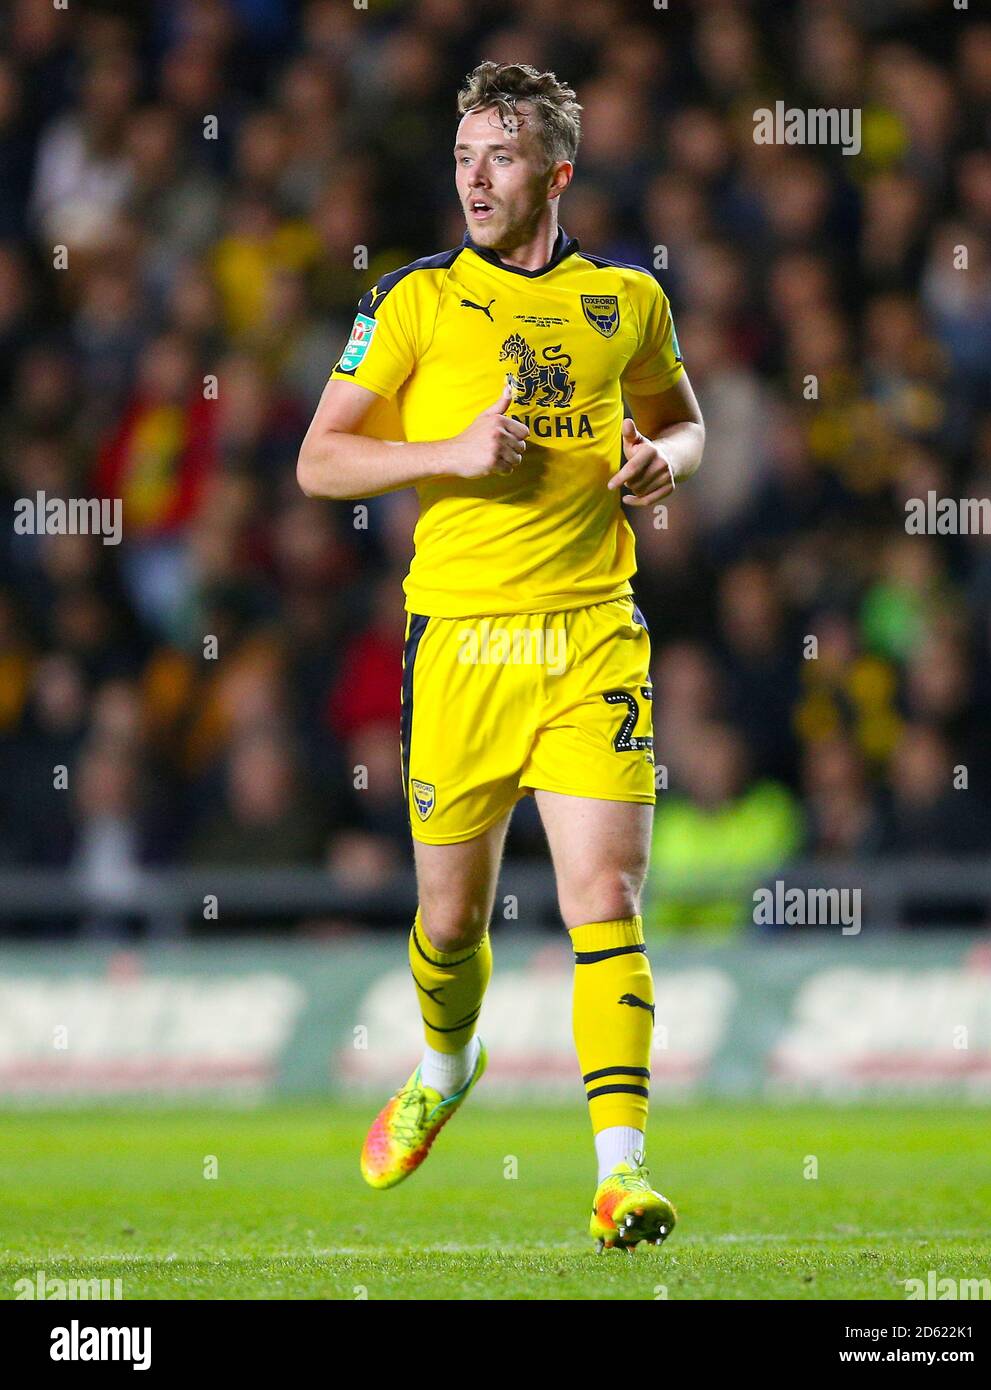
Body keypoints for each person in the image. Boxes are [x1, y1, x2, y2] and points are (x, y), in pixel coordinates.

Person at [297, 61, 706, 1252]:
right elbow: (321, 462)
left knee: (603, 897)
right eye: (464, 155)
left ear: (555, 174)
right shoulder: (414, 299)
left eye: (501, 157)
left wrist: (670, 461)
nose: (474, 177)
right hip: (464, 641)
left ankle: (618, 1174)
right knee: (450, 923)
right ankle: (445, 1057)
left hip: (590, 631)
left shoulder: (626, 298)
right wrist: (446, 453)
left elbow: (682, 415)